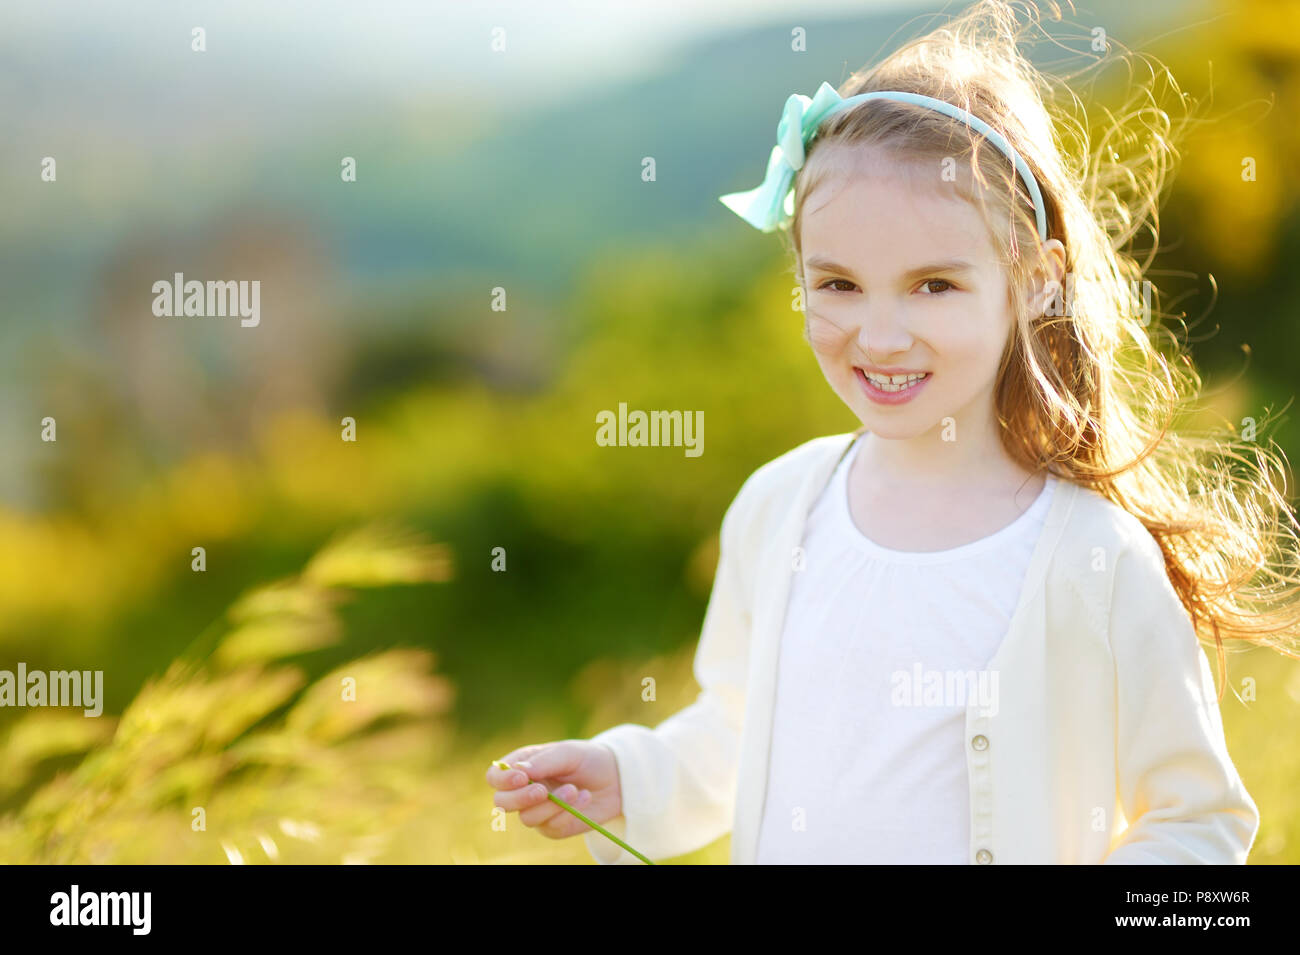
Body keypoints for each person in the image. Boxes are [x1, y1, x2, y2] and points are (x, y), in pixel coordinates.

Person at [485, 0, 1300, 863]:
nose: (878, 335)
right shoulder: (776, 510)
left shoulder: (1095, 557)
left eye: (933, 286)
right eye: (837, 284)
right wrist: (632, 778)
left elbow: (1199, 823)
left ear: (1035, 282)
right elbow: (735, 730)